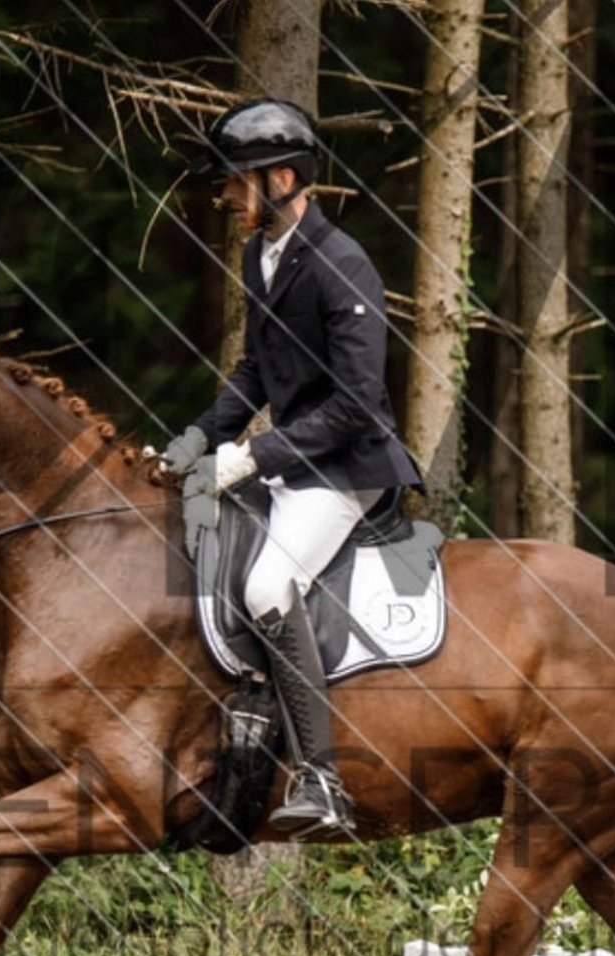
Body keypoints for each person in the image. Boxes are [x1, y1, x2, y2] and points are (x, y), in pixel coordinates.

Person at [162, 98, 422, 836]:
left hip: (349, 467)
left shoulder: (343, 264)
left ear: (282, 178)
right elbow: (256, 373)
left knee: (270, 584)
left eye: (236, 185)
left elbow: (357, 407)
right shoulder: (261, 254)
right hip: (296, 461)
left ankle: (323, 778)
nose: (226, 199)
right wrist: (196, 441)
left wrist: (251, 457)